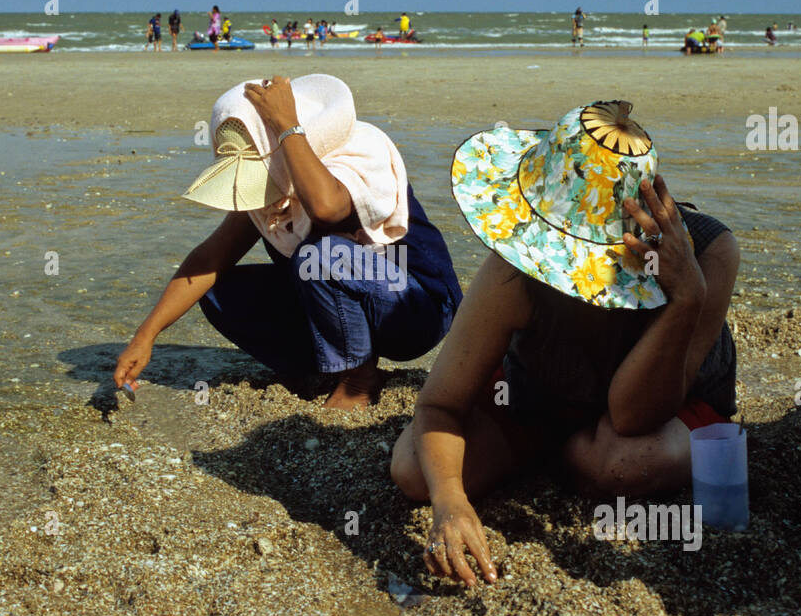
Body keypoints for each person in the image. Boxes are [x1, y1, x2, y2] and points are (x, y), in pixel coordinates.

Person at [390, 100, 740, 586]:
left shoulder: (709, 254)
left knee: (619, 464)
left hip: (657, 407)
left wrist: (686, 301)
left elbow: (633, 416)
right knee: (413, 470)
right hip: (544, 395)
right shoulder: (518, 263)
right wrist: (451, 503)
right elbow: (439, 405)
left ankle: (566, 451)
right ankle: (559, 446)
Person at [113, 74, 463, 410]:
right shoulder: (275, 194)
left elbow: (326, 208)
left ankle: (358, 380)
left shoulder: (359, 152)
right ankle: (325, 369)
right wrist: (146, 336)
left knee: (320, 256)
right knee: (219, 291)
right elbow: (210, 258)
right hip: (348, 302)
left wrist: (285, 125)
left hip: (415, 307)